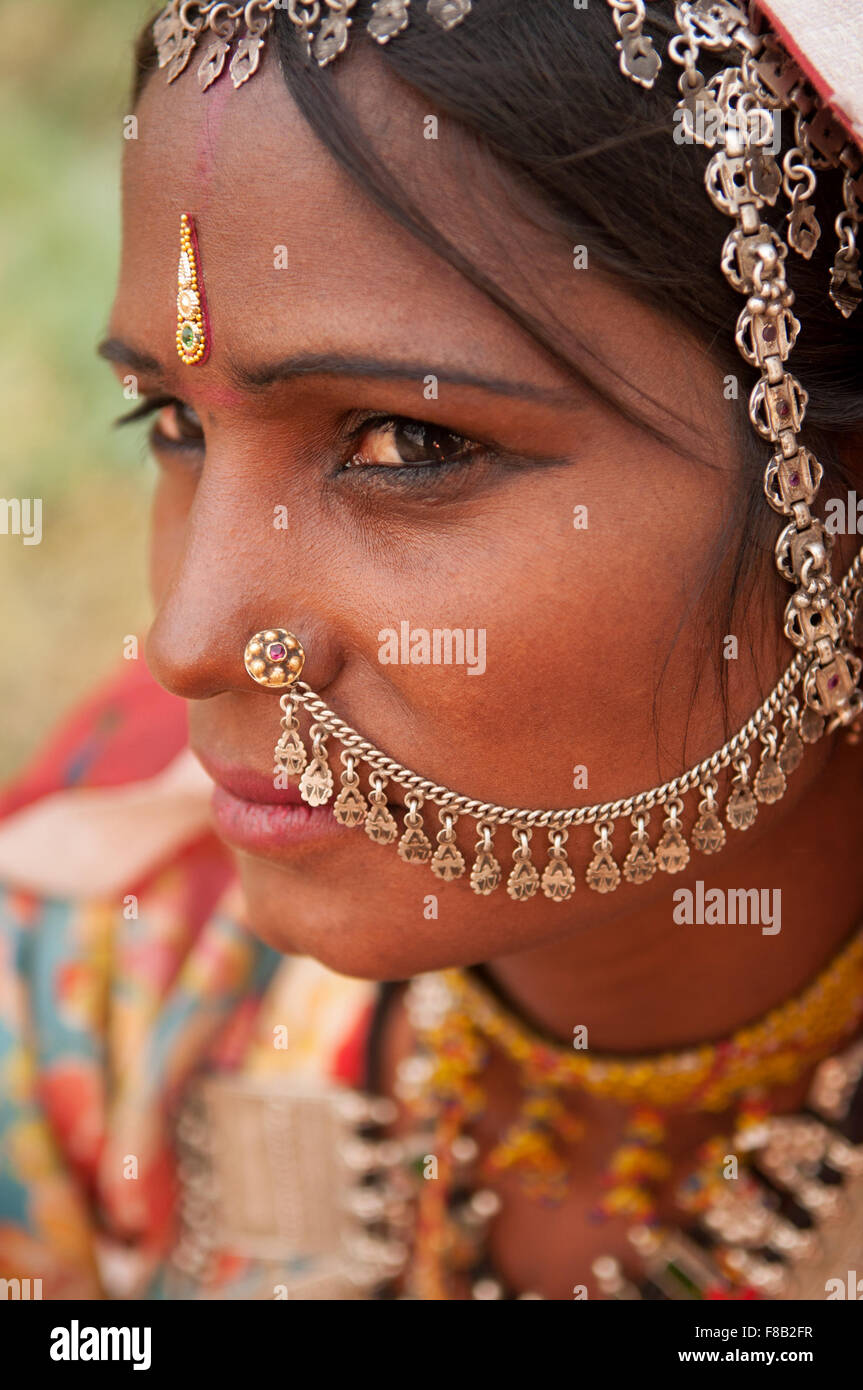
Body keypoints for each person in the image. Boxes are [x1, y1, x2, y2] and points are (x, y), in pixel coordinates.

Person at [2, 0, 863, 1301]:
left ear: (835, 500)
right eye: (172, 429)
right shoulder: (102, 966)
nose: (189, 640)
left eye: (407, 445)